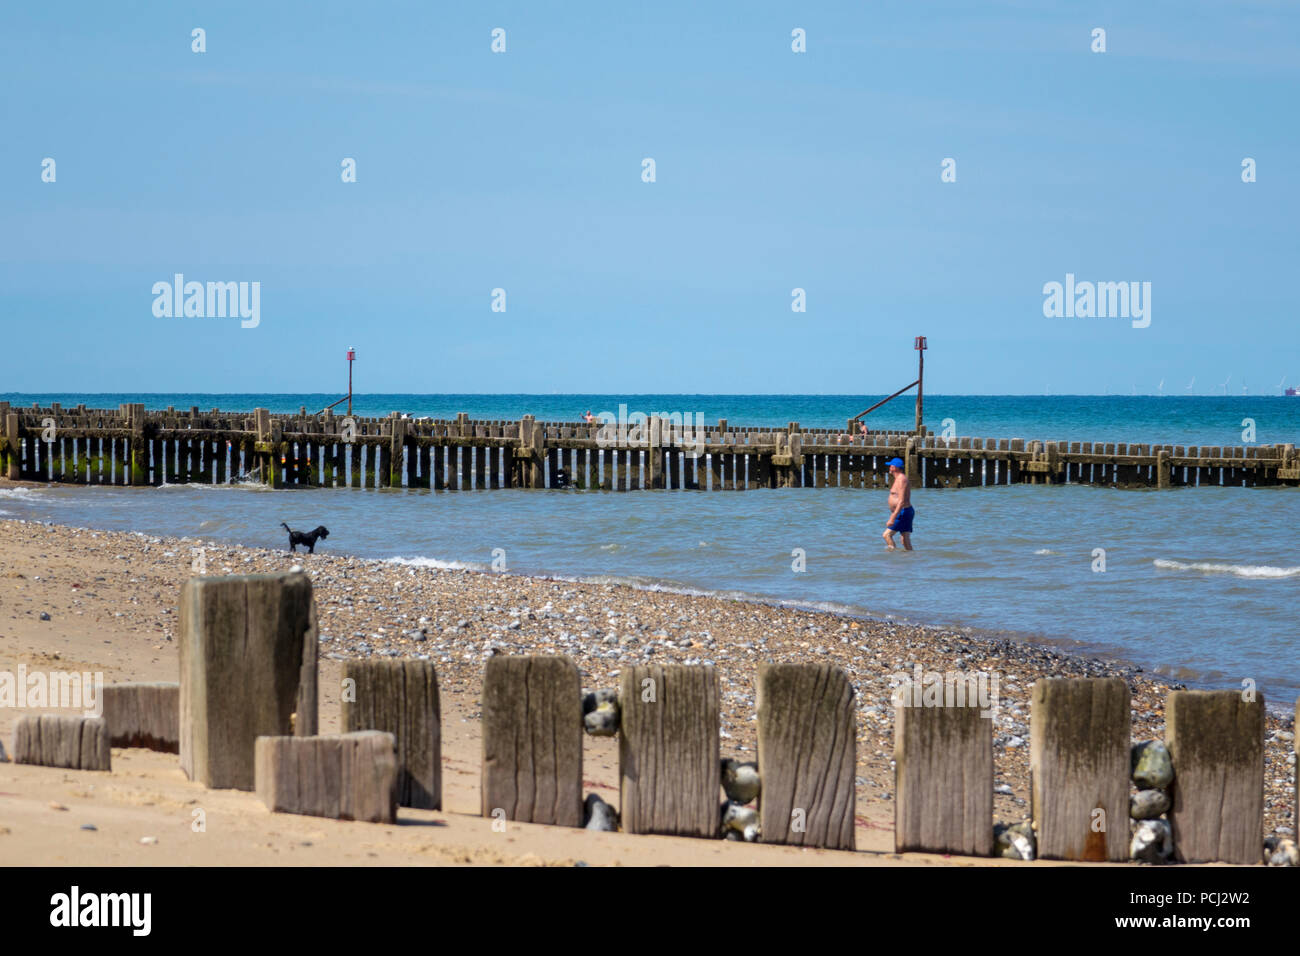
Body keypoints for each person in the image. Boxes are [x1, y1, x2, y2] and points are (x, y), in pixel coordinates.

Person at [883, 457, 914, 551]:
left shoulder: (901, 479)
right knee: (904, 540)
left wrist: (892, 518)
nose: (889, 468)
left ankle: (892, 556)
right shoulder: (898, 479)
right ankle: (910, 559)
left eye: (890, 466)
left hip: (903, 512)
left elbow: (901, 501)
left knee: (886, 535)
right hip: (904, 512)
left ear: (895, 467)